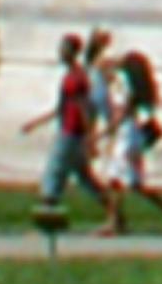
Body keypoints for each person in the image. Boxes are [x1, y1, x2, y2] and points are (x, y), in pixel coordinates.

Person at [29, 30, 107, 228]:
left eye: (64, 50)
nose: (60, 53)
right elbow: (62, 107)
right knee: (85, 178)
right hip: (69, 128)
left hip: (71, 132)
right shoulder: (69, 76)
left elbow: (82, 107)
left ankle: (48, 214)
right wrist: (37, 122)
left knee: (55, 171)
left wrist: (89, 136)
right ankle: (113, 210)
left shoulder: (77, 77)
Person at [104, 38, 162, 231]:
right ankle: (116, 221)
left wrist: (108, 130)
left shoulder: (123, 85)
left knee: (121, 181)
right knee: (124, 181)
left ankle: (115, 222)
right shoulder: (138, 88)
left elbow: (122, 110)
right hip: (133, 135)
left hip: (126, 135)